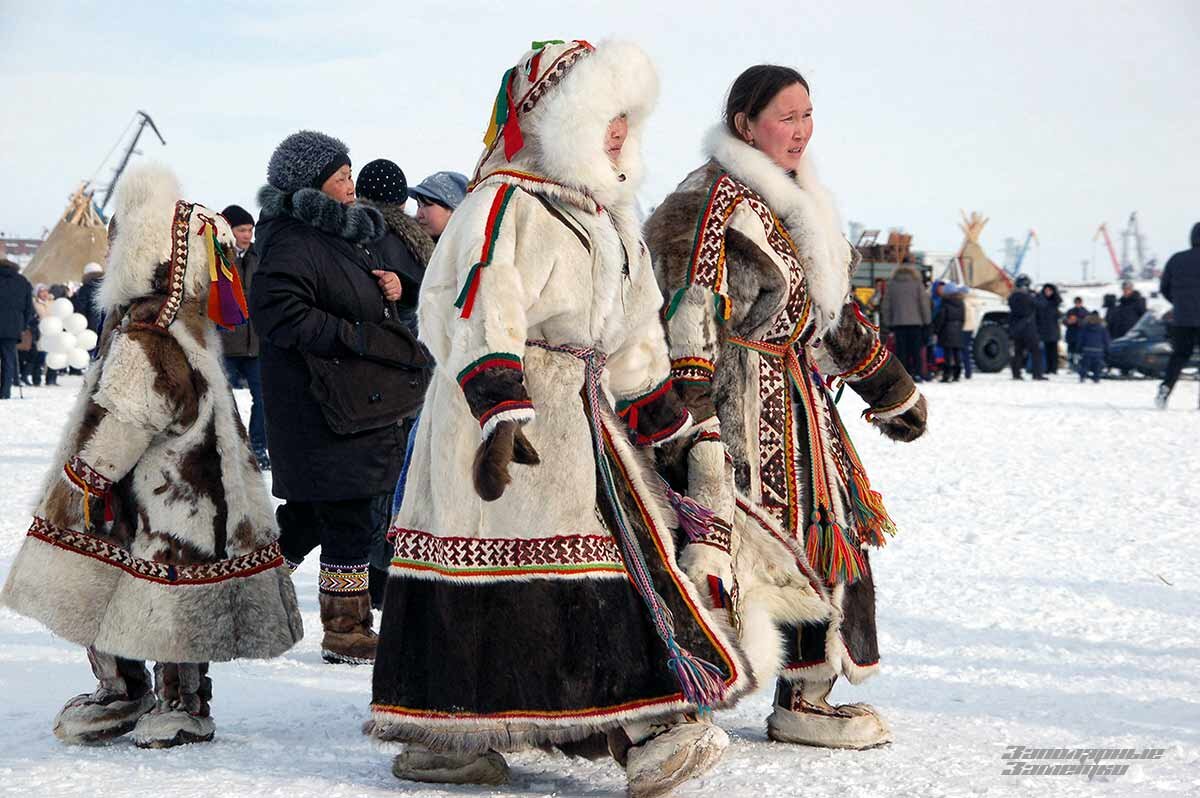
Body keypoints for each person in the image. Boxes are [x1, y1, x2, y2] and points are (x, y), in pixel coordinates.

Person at [369, 41, 750, 796]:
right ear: (556, 116)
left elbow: (636, 333)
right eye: (603, 113)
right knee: (565, 566)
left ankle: (624, 728)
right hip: (499, 425)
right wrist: (500, 409)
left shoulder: (608, 217)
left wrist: (667, 425)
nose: (618, 130)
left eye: (626, 117)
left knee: (596, 560)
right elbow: (476, 309)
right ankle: (631, 733)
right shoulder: (501, 202)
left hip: (577, 413)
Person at [646, 63, 927, 752]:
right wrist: (696, 428)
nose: (801, 130)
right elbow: (687, 323)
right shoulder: (706, 205)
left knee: (825, 541)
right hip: (730, 408)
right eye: (786, 116)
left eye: (808, 114)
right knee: (722, 550)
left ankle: (806, 695)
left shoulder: (800, 205)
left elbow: (828, 320)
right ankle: (677, 699)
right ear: (746, 124)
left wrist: (891, 389)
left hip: (799, 409)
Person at [0, 163, 302, 749]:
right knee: (118, 580)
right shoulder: (180, 326)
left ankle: (176, 699)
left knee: (164, 593)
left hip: (168, 492)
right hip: (164, 489)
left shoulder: (151, 333)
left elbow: (133, 413)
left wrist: (89, 475)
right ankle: (128, 689)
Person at [251, 131, 430, 666]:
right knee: (349, 512)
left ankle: (249, 593)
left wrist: (394, 286)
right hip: (322, 403)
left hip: (351, 399)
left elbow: (346, 291)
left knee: (312, 513)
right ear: (312, 184)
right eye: (341, 176)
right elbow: (279, 312)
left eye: (350, 174)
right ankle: (346, 628)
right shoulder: (290, 238)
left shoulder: (340, 235)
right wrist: (356, 336)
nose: (351, 184)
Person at [354, 157, 436, 607]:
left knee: (381, 475)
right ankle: (385, 570)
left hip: (376, 368)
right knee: (398, 472)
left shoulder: (356, 235)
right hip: (410, 367)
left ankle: (374, 572)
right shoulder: (412, 240)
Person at [216, 204, 269, 467]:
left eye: (250, 230)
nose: (247, 235)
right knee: (222, 401)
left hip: (256, 343)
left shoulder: (261, 256)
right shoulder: (218, 258)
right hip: (225, 343)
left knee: (263, 398)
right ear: (230, 230)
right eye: (242, 230)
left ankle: (258, 445)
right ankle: (227, 447)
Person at [1155, 222, 1200, 408]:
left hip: (1182, 319)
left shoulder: (1176, 259)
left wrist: (1180, 304)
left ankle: (1166, 387)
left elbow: (1164, 288)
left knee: (1179, 355)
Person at [880, 263, 931, 380]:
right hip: (916, 323)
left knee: (901, 351)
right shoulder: (917, 284)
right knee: (916, 350)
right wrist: (926, 321)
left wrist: (888, 322)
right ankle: (917, 373)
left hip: (898, 324)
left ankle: (903, 375)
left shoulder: (892, 285)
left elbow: (886, 306)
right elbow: (924, 304)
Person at [0, 257, 35, 399]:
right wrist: (23, 325)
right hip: (12, 327)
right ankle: (5, 392)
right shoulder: (22, 281)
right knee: (8, 360)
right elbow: (29, 309)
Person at [408, 170, 468, 241]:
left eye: (427, 205)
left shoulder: (474, 250)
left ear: (453, 211)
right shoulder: (407, 246)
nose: (419, 215)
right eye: (419, 205)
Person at [1008, 275, 1044, 380]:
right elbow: (1041, 305)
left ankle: (1016, 374)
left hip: (1016, 329)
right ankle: (1037, 374)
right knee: (1036, 352)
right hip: (1029, 329)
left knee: (1018, 352)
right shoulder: (1028, 297)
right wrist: (1036, 295)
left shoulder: (1012, 297)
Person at [933, 283, 966, 381]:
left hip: (946, 330)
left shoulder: (945, 302)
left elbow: (941, 318)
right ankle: (957, 374)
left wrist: (936, 330)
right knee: (956, 353)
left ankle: (947, 375)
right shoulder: (961, 303)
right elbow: (963, 318)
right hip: (958, 329)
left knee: (947, 354)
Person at [1035, 282, 1062, 374]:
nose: (1048, 292)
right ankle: (1046, 367)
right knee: (1045, 350)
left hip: (1053, 329)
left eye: (1050, 290)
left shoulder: (1055, 302)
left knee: (1053, 350)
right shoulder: (1040, 301)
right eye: (1046, 290)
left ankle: (1053, 368)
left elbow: (1058, 315)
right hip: (1043, 329)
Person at [72, 262, 105, 336]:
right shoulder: (106, 287)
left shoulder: (85, 289)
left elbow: (81, 308)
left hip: (90, 324)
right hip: (106, 322)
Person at [1078, 311, 1110, 383]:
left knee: (1085, 365)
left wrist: (1079, 348)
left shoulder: (1085, 327)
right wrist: (1107, 350)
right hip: (1098, 350)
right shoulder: (1102, 328)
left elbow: (1081, 338)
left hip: (1087, 349)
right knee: (1097, 365)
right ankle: (1096, 378)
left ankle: (1082, 377)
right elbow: (1106, 340)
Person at [1063, 296, 1089, 369]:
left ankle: (1079, 365)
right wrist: (1068, 321)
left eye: (1079, 303)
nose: (1077, 304)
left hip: (1080, 335)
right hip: (1070, 334)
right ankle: (1071, 364)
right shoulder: (1070, 311)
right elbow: (1064, 320)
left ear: (1081, 303)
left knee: (1079, 352)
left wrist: (1077, 321)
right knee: (1070, 351)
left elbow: (1087, 322)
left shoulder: (1085, 311)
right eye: (1076, 303)